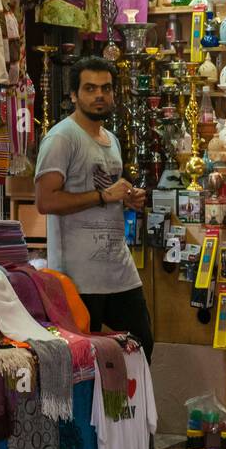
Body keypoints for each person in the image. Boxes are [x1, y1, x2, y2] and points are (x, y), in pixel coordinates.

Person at [35, 56, 152, 358]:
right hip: (78, 277)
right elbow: (46, 201)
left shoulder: (110, 139)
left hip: (118, 270)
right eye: (89, 88)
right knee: (84, 361)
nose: (99, 95)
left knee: (141, 347)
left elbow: (107, 194)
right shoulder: (62, 137)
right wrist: (102, 197)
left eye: (106, 88)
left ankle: (127, 408)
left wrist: (127, 198)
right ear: (74, 94)